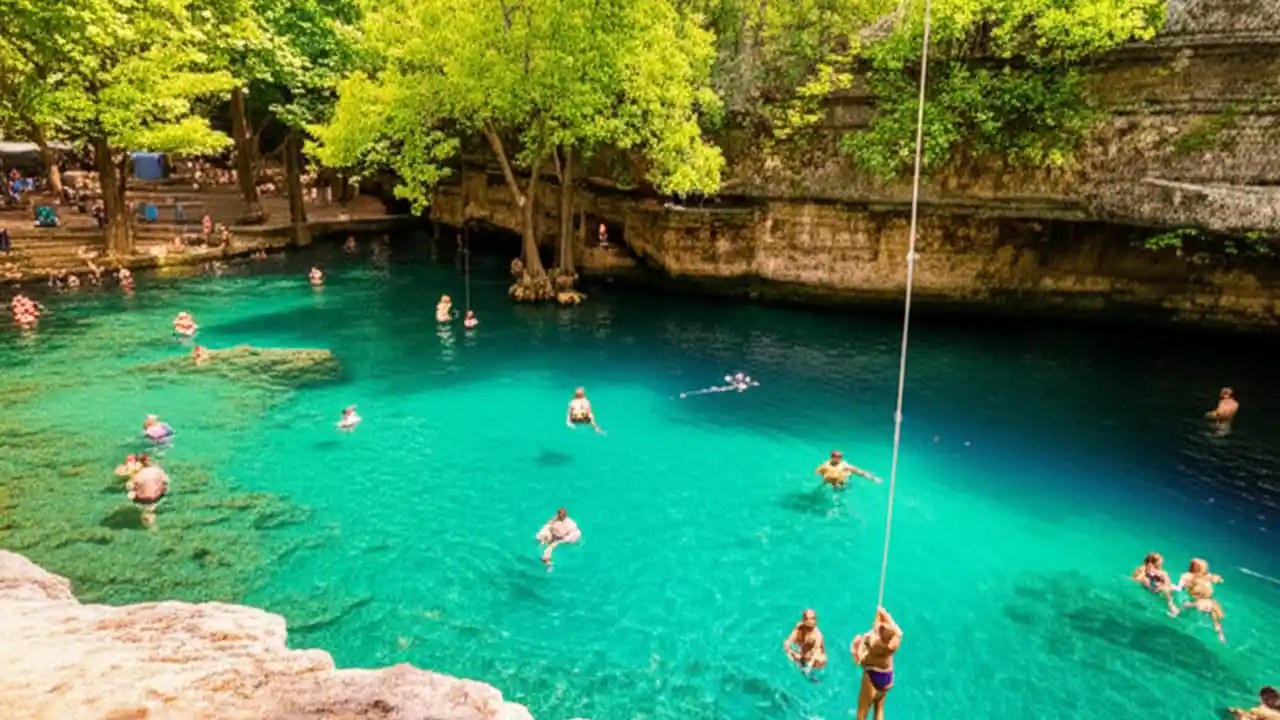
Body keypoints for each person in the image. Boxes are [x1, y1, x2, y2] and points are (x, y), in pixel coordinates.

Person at [851, 607, 902, 720]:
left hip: (873, 677)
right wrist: (884, 613)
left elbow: (862, 648)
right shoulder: (893, 645)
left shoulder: (874, 644)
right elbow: (898, 632)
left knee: (862, 713)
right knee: (879, 708)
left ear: (881, 635)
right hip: (887, 677)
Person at [1173, 558, 1227, 642]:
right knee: (1216, 621)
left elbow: (1179, 588)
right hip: (1210, 603)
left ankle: (1175, 615)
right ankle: (1221, 636)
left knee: (1184, 607)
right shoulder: (1203, 576)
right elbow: (1221, 580)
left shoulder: (1192, 576)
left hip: (1200, 603)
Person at [782, 609, 828, 678]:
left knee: (822, 659)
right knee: (786, 646)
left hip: (814, 658)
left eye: (814, 618)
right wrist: (789, 653)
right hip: (802, 654)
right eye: (810, 618)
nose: (814, 620)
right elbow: (788, 642)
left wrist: (808, 667)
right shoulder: (799, 627)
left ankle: (811, 674)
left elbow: (816, 652)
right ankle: (801, 664)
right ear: (804, 620)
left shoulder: (817, 635)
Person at [128, 463, 169, 528]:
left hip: (142, 499)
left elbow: (130, 486)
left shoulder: (139, 474)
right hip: (157, 498)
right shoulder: (158, 471)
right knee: (150, 510)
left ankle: (149, 525)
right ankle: (152, 525)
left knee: (131, 494)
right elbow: (166, 482)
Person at [816, 450, 881, 489]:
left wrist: (874, 479)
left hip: (841, 485)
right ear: (832, 457)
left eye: (840, 457)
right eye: (838, 457)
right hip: (829, 485)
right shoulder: (825, 465)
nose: (839, 458)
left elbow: (859, 472)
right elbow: (818, 473)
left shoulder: (844, 465)